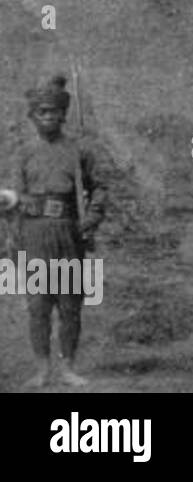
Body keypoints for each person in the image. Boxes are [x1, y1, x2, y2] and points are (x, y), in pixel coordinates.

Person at [1, 76, 108, 387]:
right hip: (34, 236)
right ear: (33, 117)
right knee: (37, 306)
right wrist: (11, 218)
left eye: (53, 112)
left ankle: (68, 368)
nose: (48, 117)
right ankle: (42, 370)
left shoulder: (79, 151)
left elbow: (99, 188)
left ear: (63, 115)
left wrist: (90, 219)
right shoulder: (24, 153)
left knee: (70, 305)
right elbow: (14, 197)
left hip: (69, 234)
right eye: (42, 112)